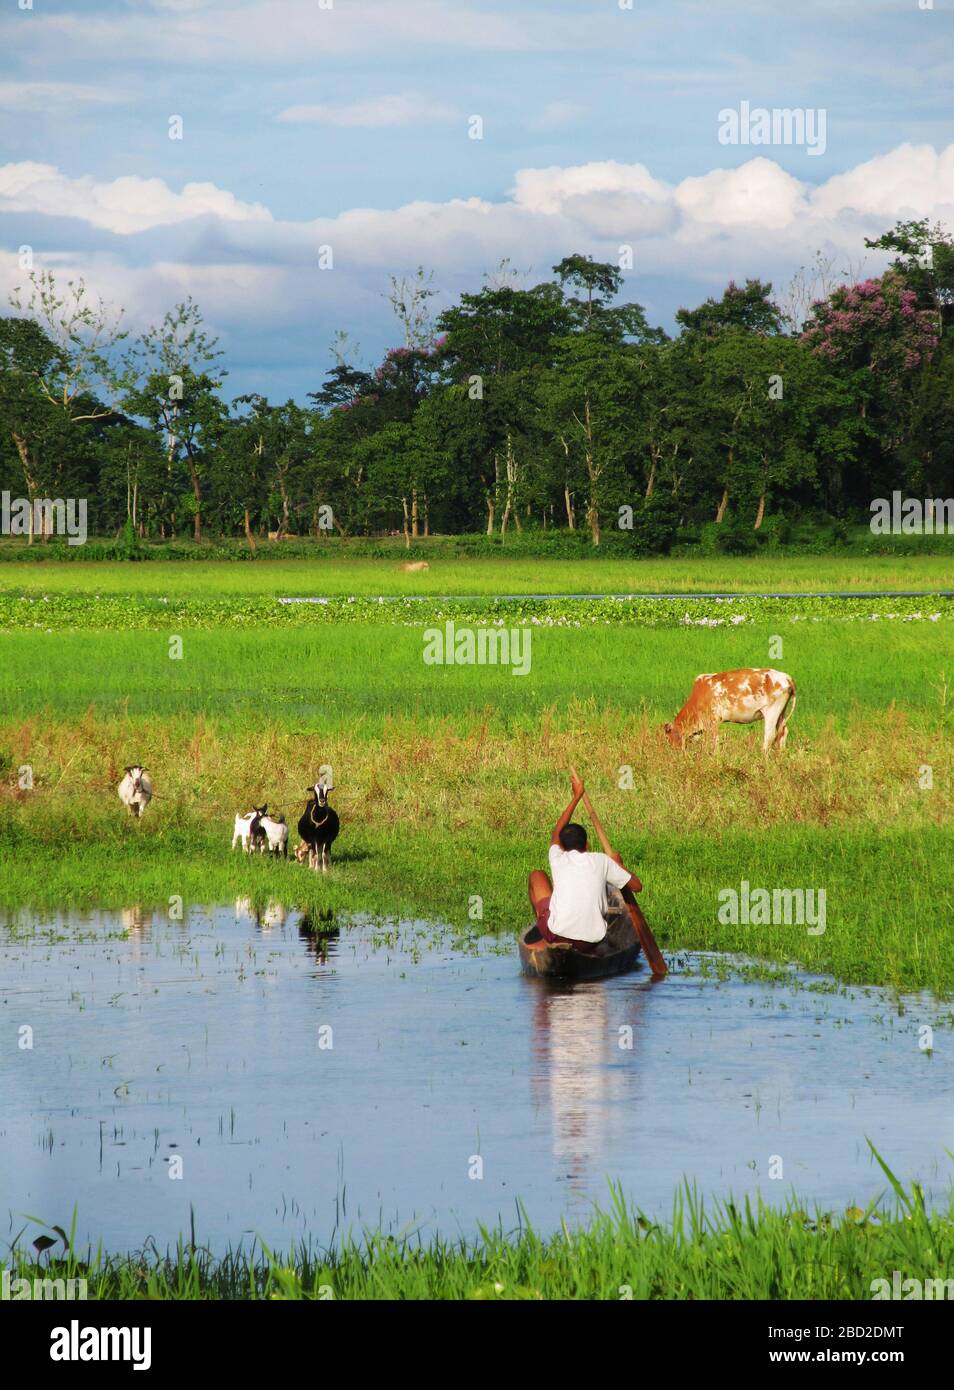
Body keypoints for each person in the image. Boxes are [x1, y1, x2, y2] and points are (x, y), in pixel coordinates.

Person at [528, 773, 642, 954]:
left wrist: (576, 796)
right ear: (586, 844)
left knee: (536, 876)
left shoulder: (558, 857)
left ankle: (546, 939)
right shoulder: (602, 860)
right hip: (589, 943)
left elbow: (555, 834)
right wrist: (620, 866)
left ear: (563, 846)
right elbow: (636, 886)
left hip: (557, 935)